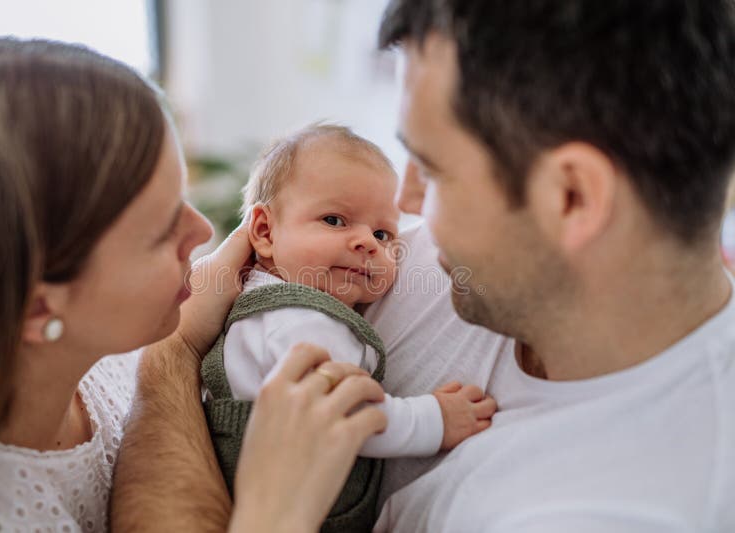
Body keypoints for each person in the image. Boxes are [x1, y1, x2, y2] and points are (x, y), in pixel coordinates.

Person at [115, 1, 735, 532]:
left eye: (433, 171)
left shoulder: (610, 511)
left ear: (570, 198)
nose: (404, 212)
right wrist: (174, 349)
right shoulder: (424, 267)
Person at [0, 38, 387, 532]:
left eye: (183, 197)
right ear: (39, 310)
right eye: (160, 228)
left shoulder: (108, 353)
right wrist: (272, 516)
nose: (202, 234)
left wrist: (180, 344)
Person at [201, 123, 495, 530]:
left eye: (382, 232)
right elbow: (343, 417)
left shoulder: (285, 306)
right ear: (265, 232)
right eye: (335, 220)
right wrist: (433, 420)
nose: (367, 243)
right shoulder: (295, 321)